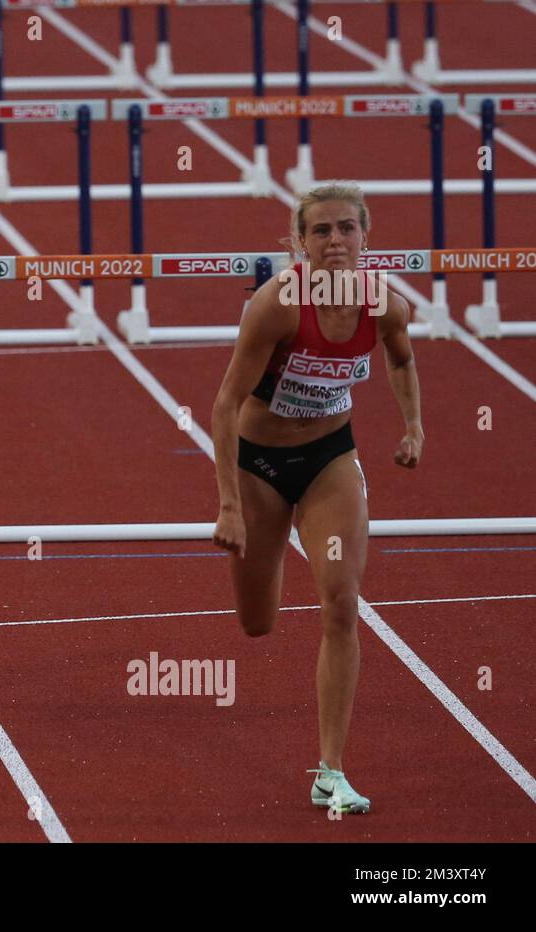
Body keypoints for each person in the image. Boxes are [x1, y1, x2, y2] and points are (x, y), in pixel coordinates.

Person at [210, 183, 423, 813]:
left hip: (331, 458)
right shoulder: (275, 306)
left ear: (366, 236)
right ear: (298, 242)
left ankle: (330, 769)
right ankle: (263, 549)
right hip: (259, 467)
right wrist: (227, 504)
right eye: (321, 231)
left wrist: (413, 427)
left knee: (341, 601)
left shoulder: (386, 304)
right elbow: (225, 405)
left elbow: (403, 360)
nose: (335, 241)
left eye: (346, 229)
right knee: (258, 622)